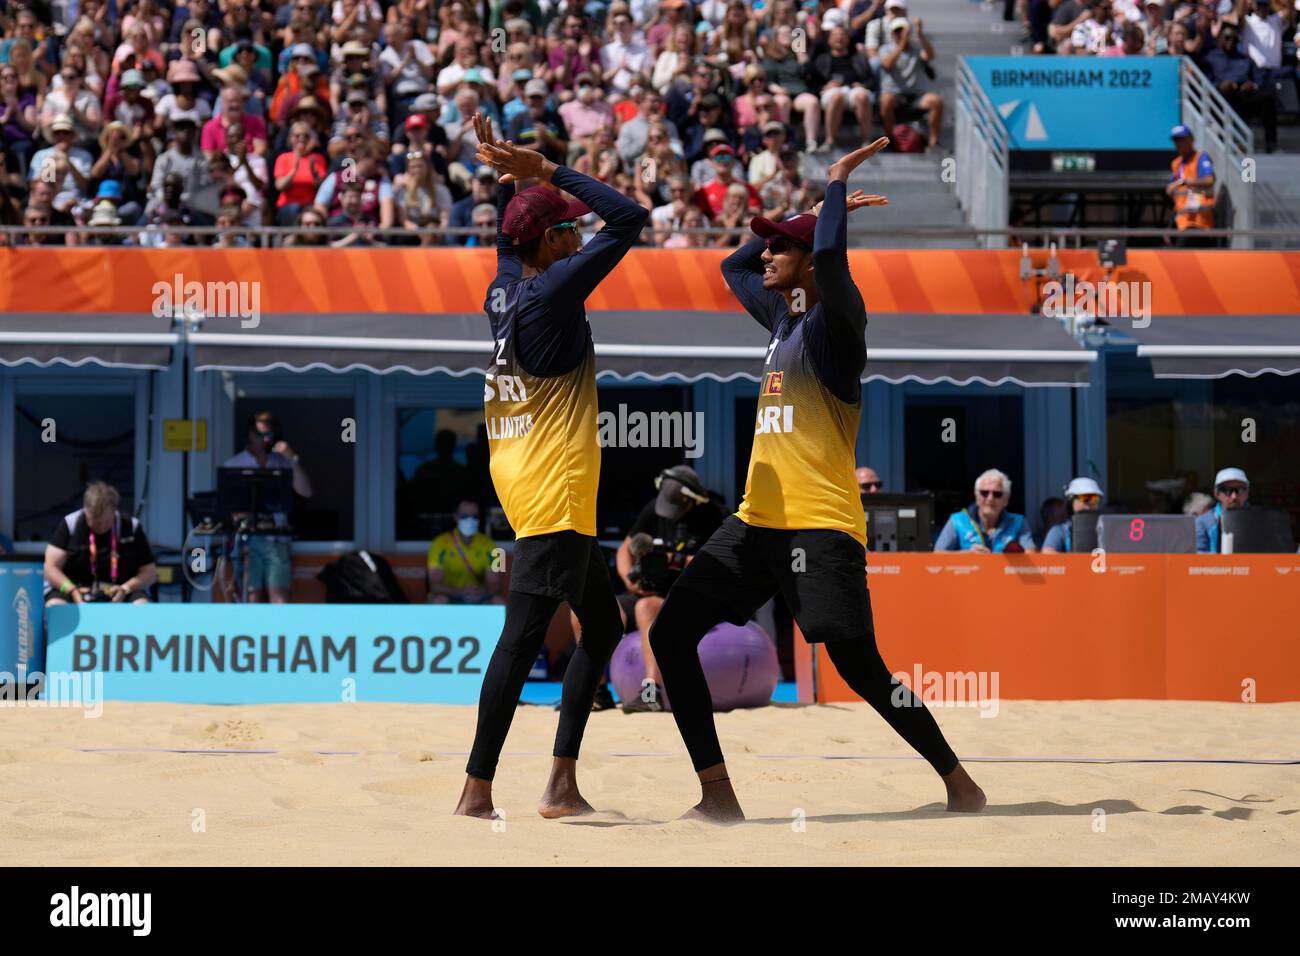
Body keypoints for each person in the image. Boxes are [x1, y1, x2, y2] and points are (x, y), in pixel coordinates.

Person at [648, 139, 985, 821]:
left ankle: (958, 780)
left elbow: (830, 258)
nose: (765, 255)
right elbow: (730, 262)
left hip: (821, 525)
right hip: (756, 522)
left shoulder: (836, 328)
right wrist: (798, 216)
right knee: (669, 634)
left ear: (808, 262)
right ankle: (718, 796)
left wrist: (834, 189)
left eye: (781, 248)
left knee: (862, 672)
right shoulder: (783, 317)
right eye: (772, 247)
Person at [454, 112, 650, 820]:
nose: (581, 233)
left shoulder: (504, 288)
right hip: (555, 494)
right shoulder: (553, 291)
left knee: (603, 632)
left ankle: (561, 781)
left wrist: (518, 183)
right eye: (569, 226)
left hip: (532, 488)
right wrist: (550, 174)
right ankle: (477, 789)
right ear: (552, 241)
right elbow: (630, 220)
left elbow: (514, 242)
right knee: (522, 638)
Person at [607, 465, 726, 713]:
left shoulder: (715, 517)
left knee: (646, 607)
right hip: (649, 590)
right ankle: (596, 694)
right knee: (594, 611)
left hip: (689, 600)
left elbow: (721, 564)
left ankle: (652, 693)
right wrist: (629, 578)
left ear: (692, 500)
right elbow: (625, 548)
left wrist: (679, 560)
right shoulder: (654, 508)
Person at [222, 411, 314, 603]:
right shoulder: (234, 464)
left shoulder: (282, 461)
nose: (265, 440)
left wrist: (292, 459)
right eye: (260, 435)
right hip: (247, 541)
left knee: (279, 599)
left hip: (277, 539)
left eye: (269, 435)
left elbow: (306, 491)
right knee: (251, 597)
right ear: (249, 434)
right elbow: (228, 507)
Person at [44, 482, 157, 606]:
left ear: (115, 511)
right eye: (95, 522)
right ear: (85, 510)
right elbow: (50, 568)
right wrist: (72, 590)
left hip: (120, 590)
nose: (101, 527)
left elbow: (149, 572)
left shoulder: (131, 527)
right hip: (74, 589)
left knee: (142, 605)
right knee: (56, 605)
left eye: (107, 521)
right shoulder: (70, 524)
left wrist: (125, 588)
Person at [935, 469, 1038, 552]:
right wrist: (966, 556)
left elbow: (1031, 554)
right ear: (977, 497)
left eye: (997, 494)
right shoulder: (957, 520)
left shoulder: (1018, 522)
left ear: (1006, 500)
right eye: (984, 493)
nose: (990, 498)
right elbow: (937, 556)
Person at [427, 500, 504, 604]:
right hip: (451, 596)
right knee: (439, 600)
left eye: (474, 517)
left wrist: (481, 593)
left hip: (479, 597)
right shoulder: (438, 544)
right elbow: (434, 585)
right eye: (464, 516)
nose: (470, 520)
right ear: (455, 517)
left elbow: (496, 585)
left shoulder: (494, 547)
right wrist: (461, 593)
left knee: (498, 601)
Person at [1166, 124, 1215, 245]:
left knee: (1180, 254)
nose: (1179, 143)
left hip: (1198, 223)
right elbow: (1170, 189)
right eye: (1176, 140)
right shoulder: (1177, 163)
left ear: (1191, 139)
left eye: (1182, 139)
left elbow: (1209, 180)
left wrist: (1184, 181)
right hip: (1182, 221)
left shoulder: (1201, 158)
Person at [1196, 467, 1250, 553]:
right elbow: (1197, 556)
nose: (1234, 496)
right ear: (1216, 493)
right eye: (1227, 491)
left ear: (1247, 494)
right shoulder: (1203, 523)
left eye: (1240, 490)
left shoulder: (1259, 521)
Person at [1042, 478, 1104, 553]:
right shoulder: (1060, 530)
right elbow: (1047, 553)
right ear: (1070, 502)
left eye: (1095, 498)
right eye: (1086, 498)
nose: (1090, 502)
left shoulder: (1106, 528)